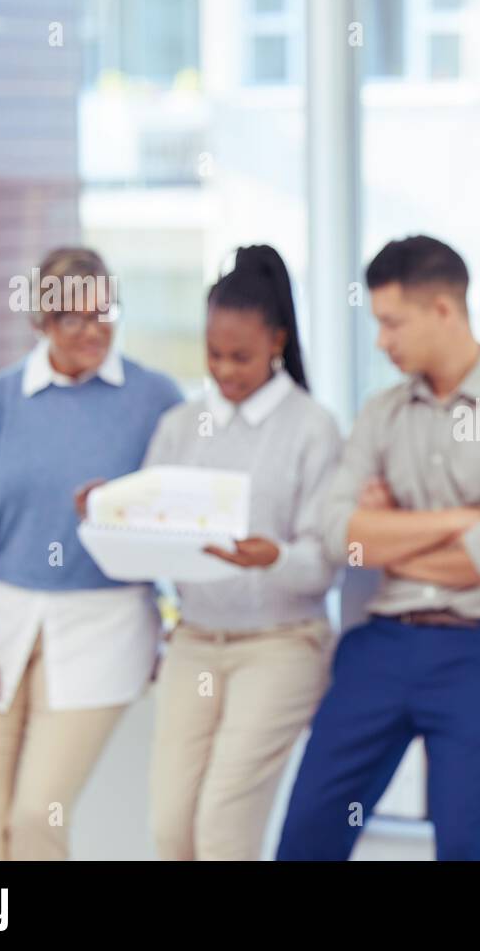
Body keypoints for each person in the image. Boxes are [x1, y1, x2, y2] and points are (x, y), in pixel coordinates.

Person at [275, 235, 480, 861]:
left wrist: (388, 534)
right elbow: (335, 533)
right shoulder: (380, 413)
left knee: (462, 843)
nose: (382, 341)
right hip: (381, 645)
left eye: (391, 322)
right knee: (304, 839)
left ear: (443, 312)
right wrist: (457, 519)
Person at [0, 246, 183, 860]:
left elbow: (180, 513)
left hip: (104, 623)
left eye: (104, 312)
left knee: (35, 818)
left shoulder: (155, 399)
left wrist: (120, 509)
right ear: (41, 323)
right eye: (74, 318)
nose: (94, 329)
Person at [140, 245, 342, 861]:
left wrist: (272, 557)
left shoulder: (313, 428)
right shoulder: (180, 424)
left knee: (223, 830)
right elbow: (148, 526)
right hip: (195, 642)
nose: (224, 370)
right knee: (171, 831)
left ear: (277, 341)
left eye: (241, 356)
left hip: (280, 646)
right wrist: (110, 510)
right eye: (213, 354)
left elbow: (326, 563)